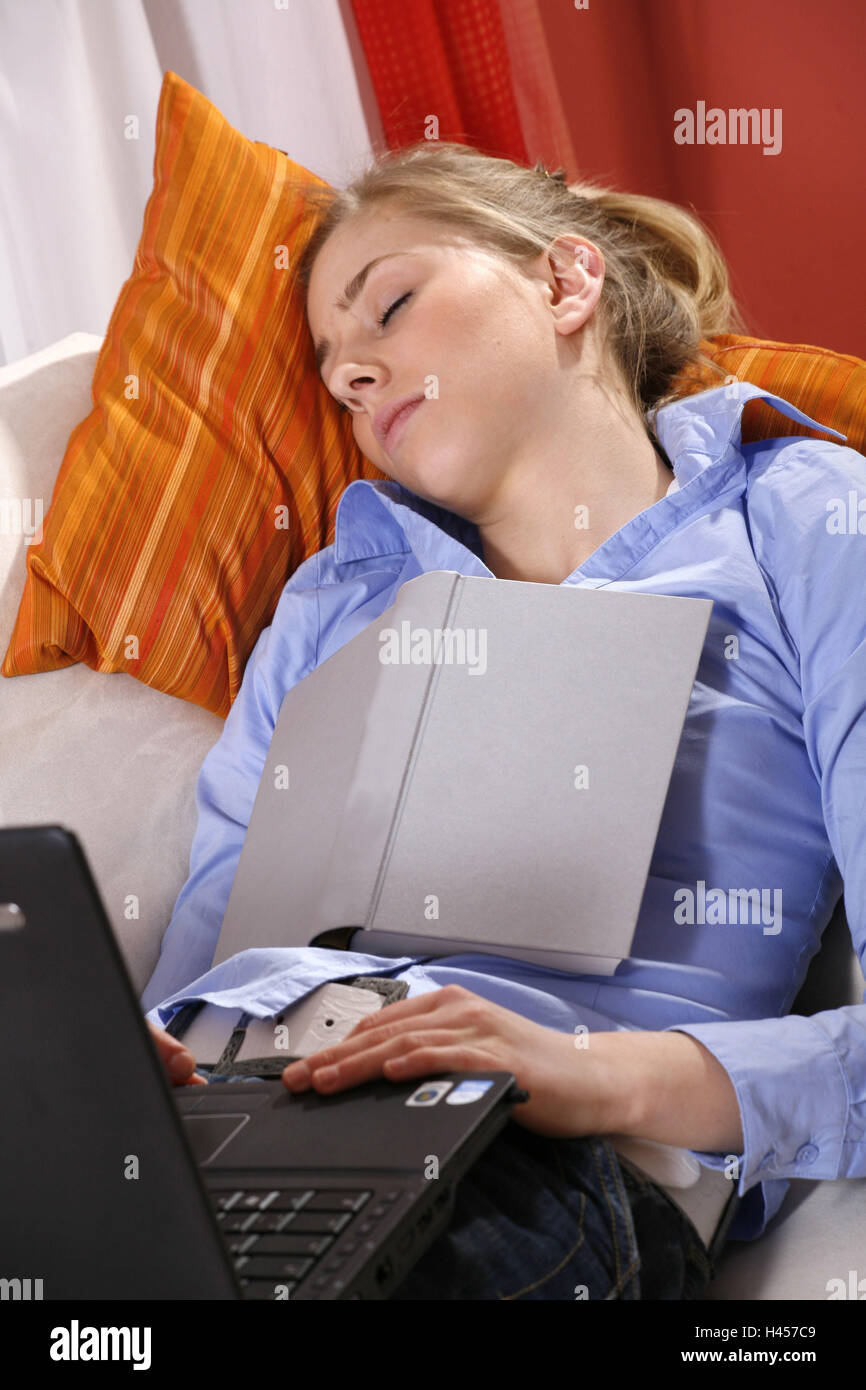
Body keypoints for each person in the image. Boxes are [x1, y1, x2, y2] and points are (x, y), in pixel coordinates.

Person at [141, 141, 866, 1300]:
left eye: (391, 306)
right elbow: (198, 958)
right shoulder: (333, 601)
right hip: (223, 1145)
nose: (354, 378)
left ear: (566, 281)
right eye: (334, 372)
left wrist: (589, 1070)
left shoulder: (800, 522)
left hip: (530, 1162)